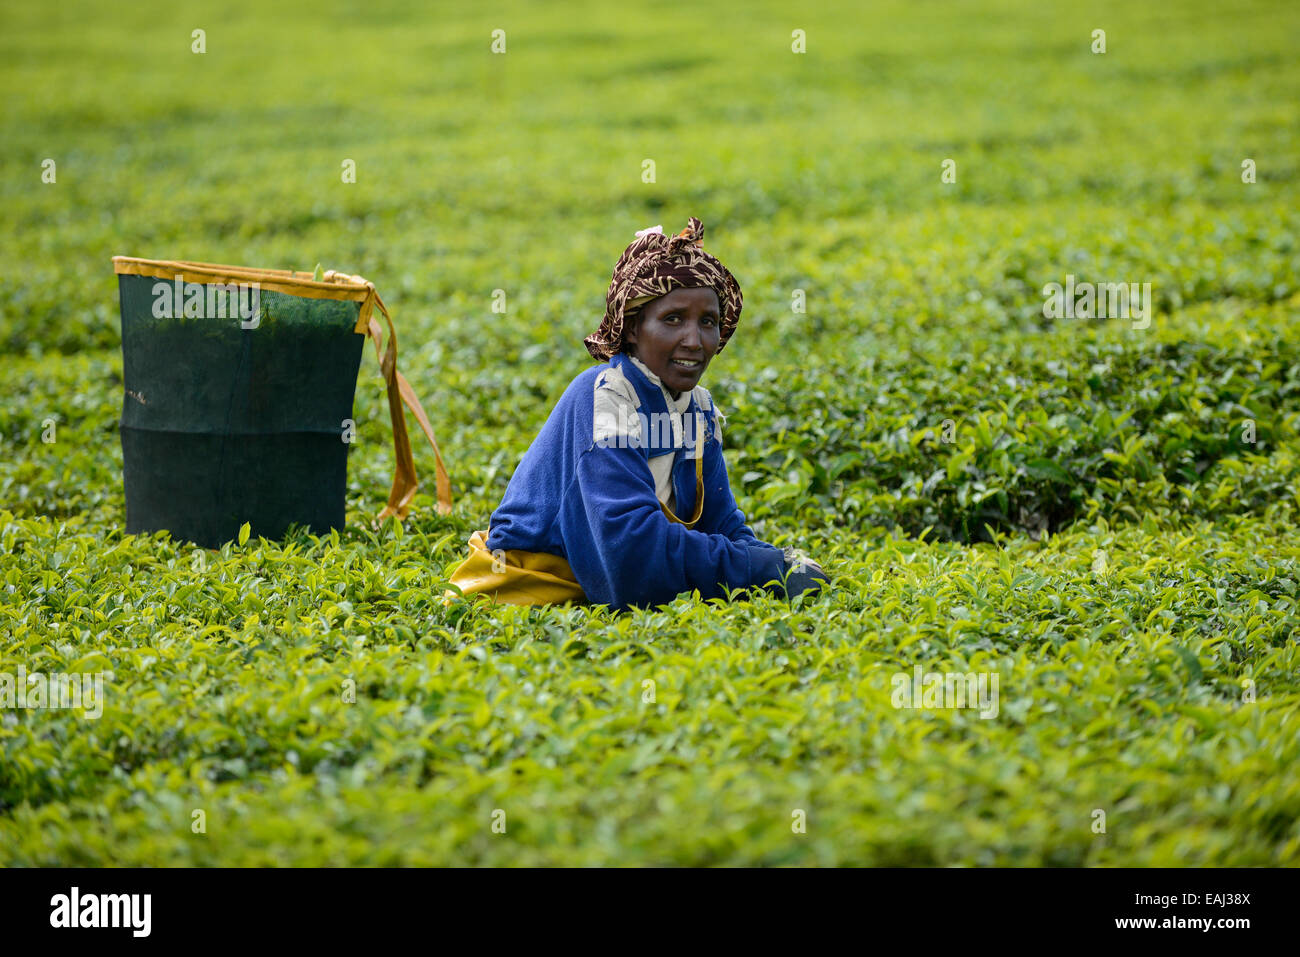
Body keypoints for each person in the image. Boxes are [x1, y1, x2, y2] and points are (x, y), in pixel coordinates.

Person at [444, 216, 828, 612]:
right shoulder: (606, 399)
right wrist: (756, 568)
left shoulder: (697, 409)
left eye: (708, 322)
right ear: (631, 328)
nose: (694, 341)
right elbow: (631, 559)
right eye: (672, 319)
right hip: (527, 587)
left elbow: (720, 522)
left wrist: (778, 562)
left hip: (597, 578)